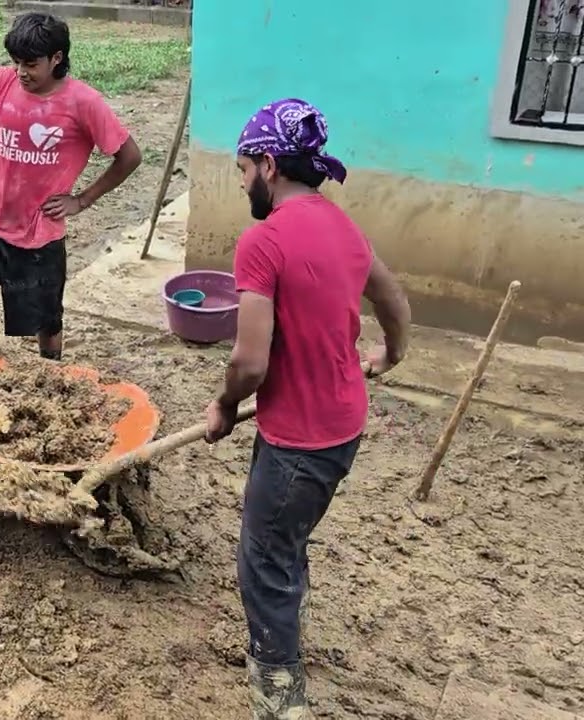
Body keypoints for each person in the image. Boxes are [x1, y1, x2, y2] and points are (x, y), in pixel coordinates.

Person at [201, 99, 411, 719]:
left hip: (300, 440)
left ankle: (279, 691)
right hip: (344, 424)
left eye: (242, 171)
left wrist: (220, 405)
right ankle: (287, 613)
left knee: (263, 556)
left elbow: (250, 363)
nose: (242, 183)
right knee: (286, 538)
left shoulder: (262, 242)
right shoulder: (343, 226)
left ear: (269, 165)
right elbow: (393, 300)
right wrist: (389, 354)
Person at [0, 12, 142, 360]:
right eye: (17, 62)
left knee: (45, 326)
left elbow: (129, 156)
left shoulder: (84, 103)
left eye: (31, 64)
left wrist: (82, 200)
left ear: (57, 59)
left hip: (38, 236)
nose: (21, 72)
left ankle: (50, 379)